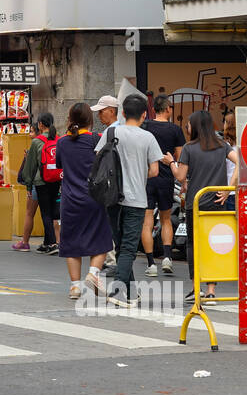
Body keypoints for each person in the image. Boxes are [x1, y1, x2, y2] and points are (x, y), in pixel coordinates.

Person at [95, 94, 163, 308]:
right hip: (136, 200)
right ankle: (117, 292)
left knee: (122, 245)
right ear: (144, 114)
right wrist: (138, 171)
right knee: (129, 248)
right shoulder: (148, 138)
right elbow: (154, 170)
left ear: (123, 113)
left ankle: (131, 293)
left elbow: (98, 159)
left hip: (112, 197)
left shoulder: (111, 131)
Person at [173, 109, 238, 304]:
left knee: (194, 246)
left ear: (196, 126)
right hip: (217, 203)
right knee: (214, 245)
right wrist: (228, 189)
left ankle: (196, 288)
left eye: (190, 124)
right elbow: (240, 164)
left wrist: (170, 163)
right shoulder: (222, 145)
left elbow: (180, 176)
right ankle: (211, 291)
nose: (188, 127)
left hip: (196, 203)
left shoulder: (189, 148)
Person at [56, 103, 112, 298]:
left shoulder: (62, 142)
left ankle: (75, 286)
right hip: (94, 197)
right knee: (101, 238)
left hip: (70, 199)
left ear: (70, 119)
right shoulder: (97, 140)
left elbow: (60, 166)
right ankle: (93, 273)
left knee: (71, 242)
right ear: (90, 120)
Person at [142, 94, 185, 277]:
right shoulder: (175, 130)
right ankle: (167, 258)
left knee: (147, 220)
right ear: (167, 109)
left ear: (154, 110)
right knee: (166, 218)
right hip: (166, 179)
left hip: (147, 177)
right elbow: (181, 157)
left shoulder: (145, 127)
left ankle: (151, 263)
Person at [14, 113, 61, 255]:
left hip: (41, 181)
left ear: (40, 125)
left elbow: (31, 167)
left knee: (45, 213)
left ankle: (52, 243)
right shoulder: (59, 140)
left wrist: (28, 185)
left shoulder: (37, 142)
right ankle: (48, 242)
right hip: (56, 179)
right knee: (53, 212)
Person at [92, 94, 121, 270]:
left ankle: (113, 261)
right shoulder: (126, 129)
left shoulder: (110, 132)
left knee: (111, 223)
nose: (99, 116)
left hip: (112, 187)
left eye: (101, 112)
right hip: (127, 187)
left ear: (111, 111)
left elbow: (98, 156)